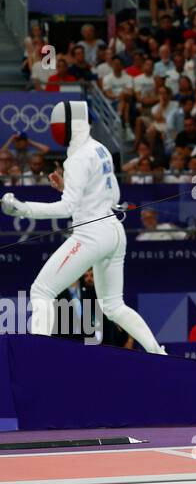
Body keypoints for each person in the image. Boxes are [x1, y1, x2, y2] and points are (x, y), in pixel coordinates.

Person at [2, 102, 166, 354]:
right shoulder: (99, 149)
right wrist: (67, 187)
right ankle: (158, 352)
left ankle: (35, 358)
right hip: (114, 232)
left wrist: (22, 209)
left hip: (91, 235)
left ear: (68, 126)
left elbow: (66, 208)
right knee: (113, 305)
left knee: (41, 291)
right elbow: (110, 194)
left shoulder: (77, 158)